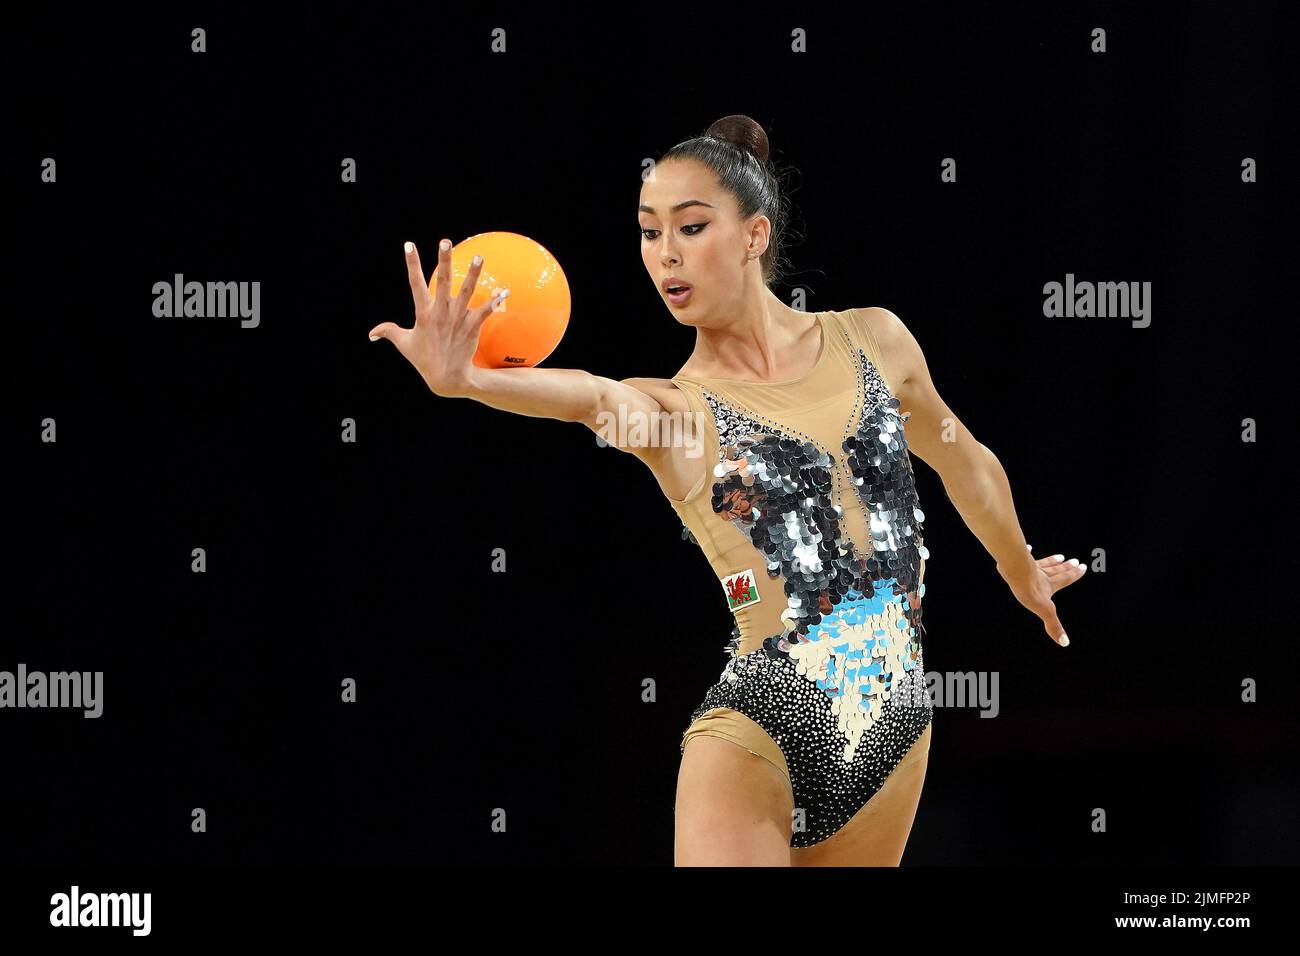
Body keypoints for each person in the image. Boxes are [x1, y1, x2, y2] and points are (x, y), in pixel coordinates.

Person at [367, 114, 1086, 866]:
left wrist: (1018, 566)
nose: (665, 254)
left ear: (754, 234)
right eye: (649, 232)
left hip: (899, 731)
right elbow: (589, 396)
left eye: (691, 226)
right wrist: (470, 381)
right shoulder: (677, 414)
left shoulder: (874, 340)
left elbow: (961, 456)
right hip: (758, 736)